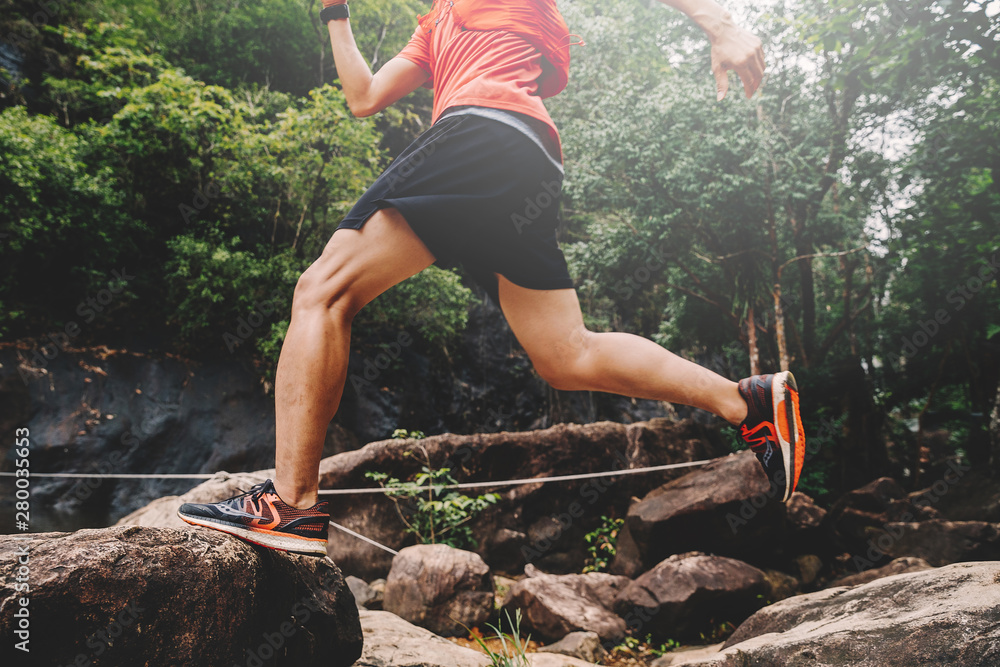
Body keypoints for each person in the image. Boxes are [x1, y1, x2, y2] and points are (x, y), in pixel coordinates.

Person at [178, 0, 805, 556]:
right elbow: (364, 97)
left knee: (321, 291)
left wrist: (721, 25)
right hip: (524, 158)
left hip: (478, 134)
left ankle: (289, 504)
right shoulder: (435, 26)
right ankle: (743, 400)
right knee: (566, 353)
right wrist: (335, 13)